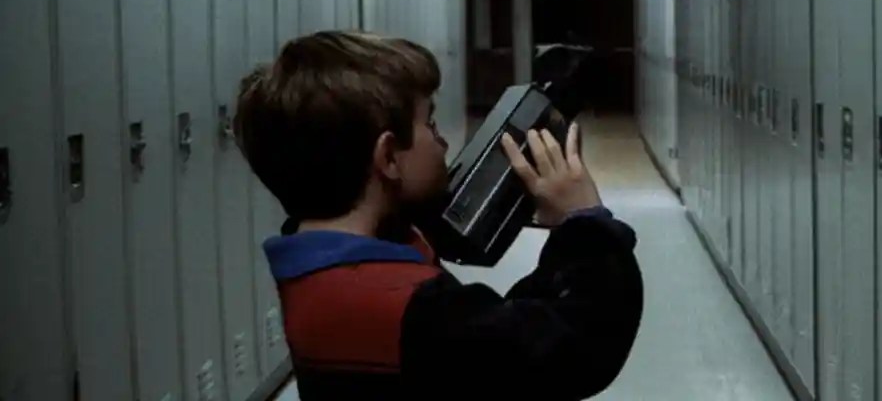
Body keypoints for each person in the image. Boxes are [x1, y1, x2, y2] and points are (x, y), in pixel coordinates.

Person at [233, 31, 644, 400]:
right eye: (429, 122)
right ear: (389, 156)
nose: (443, 140)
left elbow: (491, 339)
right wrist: (586, 222)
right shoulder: (410, 308)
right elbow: (577, 350)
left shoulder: (323, 267)